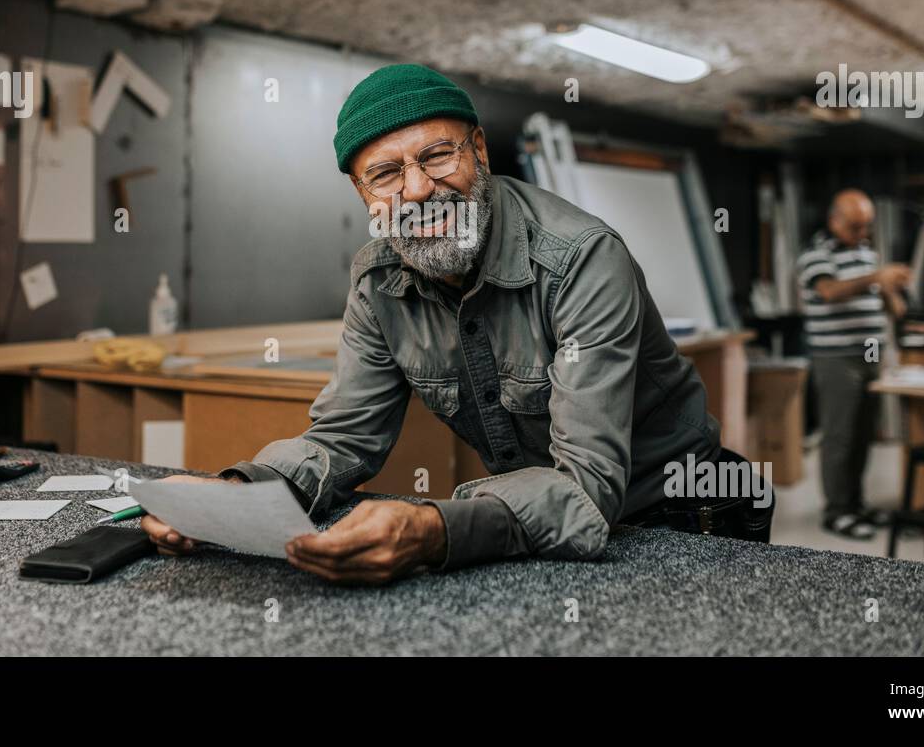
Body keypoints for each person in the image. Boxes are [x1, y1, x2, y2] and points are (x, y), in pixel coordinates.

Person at [145, 63, 771, 583]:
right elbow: (343, 439)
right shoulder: (377, 280)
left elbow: (585, 487)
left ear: (478, 149)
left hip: (673, 515)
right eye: (385, 175)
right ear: (363, 196)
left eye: (437, 155)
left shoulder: (582, 258)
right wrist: (239, 490)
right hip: (534, 517)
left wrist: (430, 529)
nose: (417, 191)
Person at [797, 189, 911, 540]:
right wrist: (877, 277)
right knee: (840, 437)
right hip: (836, 358)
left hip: (870, 355)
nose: (863, 234)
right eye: (855, 227)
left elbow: (892, 308)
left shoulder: (865, 253)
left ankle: (856, 503)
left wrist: (892, 290)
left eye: (867, 227)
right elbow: (829, 292)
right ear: (834, 221)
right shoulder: (815, 255)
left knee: (863, 436)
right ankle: (837, 511)